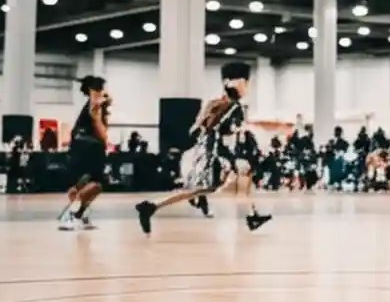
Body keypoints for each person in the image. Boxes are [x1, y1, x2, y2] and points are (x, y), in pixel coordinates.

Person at [135, 62, 271, 235]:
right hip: (214, 153)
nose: (247, 86)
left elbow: (196, 127)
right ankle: (151, 206)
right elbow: (229, 135)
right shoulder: (234, 107)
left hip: (207, 150)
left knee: (208, 188)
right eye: (244, 81)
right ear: (233, 83)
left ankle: (252, 215)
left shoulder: (216, 103)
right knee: (209, 187)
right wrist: (236, 158)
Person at [58, 75, 110, 230]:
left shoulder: (90, 106)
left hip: (80, 147)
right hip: (90, 147)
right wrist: (105, 138)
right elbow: (97, 121)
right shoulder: (95, 103)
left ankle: (79, 214)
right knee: (96, 184)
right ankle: (73, 213)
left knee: (81, 184)